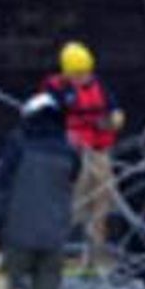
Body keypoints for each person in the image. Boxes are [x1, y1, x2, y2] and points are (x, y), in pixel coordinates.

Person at [0, 94, 79, 289]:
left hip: (18, 235)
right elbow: (71, 181)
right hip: (54, 238)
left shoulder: (18, 145)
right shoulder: (69, 151)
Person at [41, 41, 125, 271]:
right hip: (73, 155)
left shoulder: (98, 86)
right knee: (77, 200)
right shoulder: (56, 92)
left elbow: (112, 107)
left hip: (99, 151)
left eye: (86, 72)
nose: (84, 77)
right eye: (78, 74)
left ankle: (98, 252)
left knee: (104, 197)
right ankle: (71, 253)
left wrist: (115, 118)